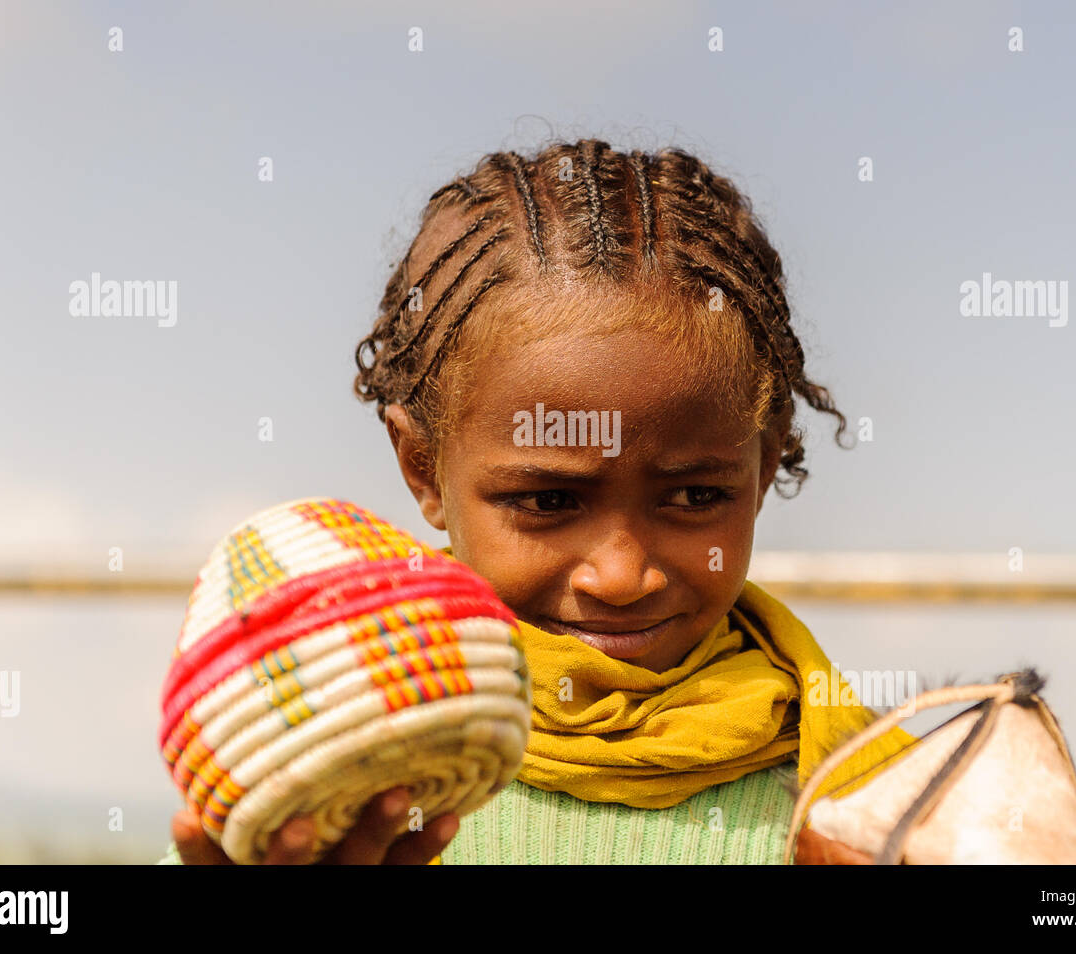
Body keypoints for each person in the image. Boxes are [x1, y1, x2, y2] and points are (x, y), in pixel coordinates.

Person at [161, 139, 913, 865]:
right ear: (423, 468)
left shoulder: (888, 807)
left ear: (765, 460)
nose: (621, 576)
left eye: (693, 495)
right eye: (549, 499)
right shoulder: (331, 776)